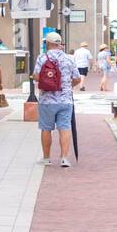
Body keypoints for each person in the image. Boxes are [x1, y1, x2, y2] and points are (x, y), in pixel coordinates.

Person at [35, 30, 81, 167]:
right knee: (65, 128)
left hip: (46, 100)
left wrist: (46, 82)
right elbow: (77, 78)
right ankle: (64, 159)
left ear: (47, 43)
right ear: (59, 44)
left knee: (46, 129)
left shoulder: (42, 58)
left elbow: (36, 76)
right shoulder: (69, 58)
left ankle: (46, 158)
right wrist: (67, 86)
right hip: (65, 100)